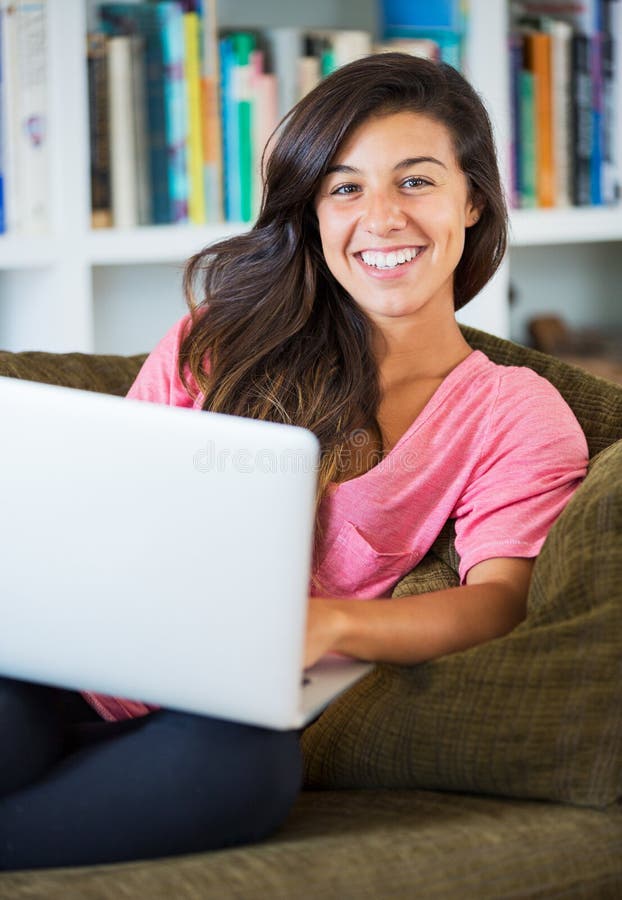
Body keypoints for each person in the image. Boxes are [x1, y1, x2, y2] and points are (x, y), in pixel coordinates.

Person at [0, 53, 587, 871]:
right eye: (345, 188)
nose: (381, 217)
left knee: (245, 773)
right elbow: (107, 496)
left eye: (415, 181)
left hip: (216, 716)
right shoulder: (218, 343)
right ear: (311, 212)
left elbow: (496, 603)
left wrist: (333, 623)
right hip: (66, 666)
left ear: (474, 198)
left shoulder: (512, 411)